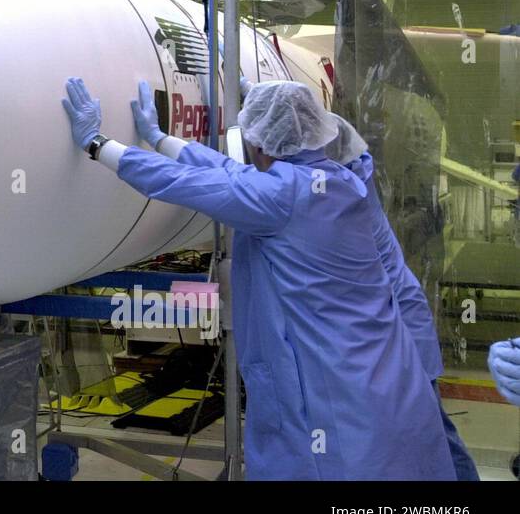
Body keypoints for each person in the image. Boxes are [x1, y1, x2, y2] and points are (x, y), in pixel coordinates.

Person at [60, 77, 456, 480]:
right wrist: (161, 139)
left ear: (261, 143)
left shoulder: (280, 197)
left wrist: (97, 144)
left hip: (337, 397)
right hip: (389, 377)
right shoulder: (338, 180)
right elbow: (229, 172)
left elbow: (187, 183)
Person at [322, 111, 479, 480]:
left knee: (433, 431)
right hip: (403, 331)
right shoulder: (358, 177)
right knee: (429, 430)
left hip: (404, 335)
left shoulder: (346, 197)